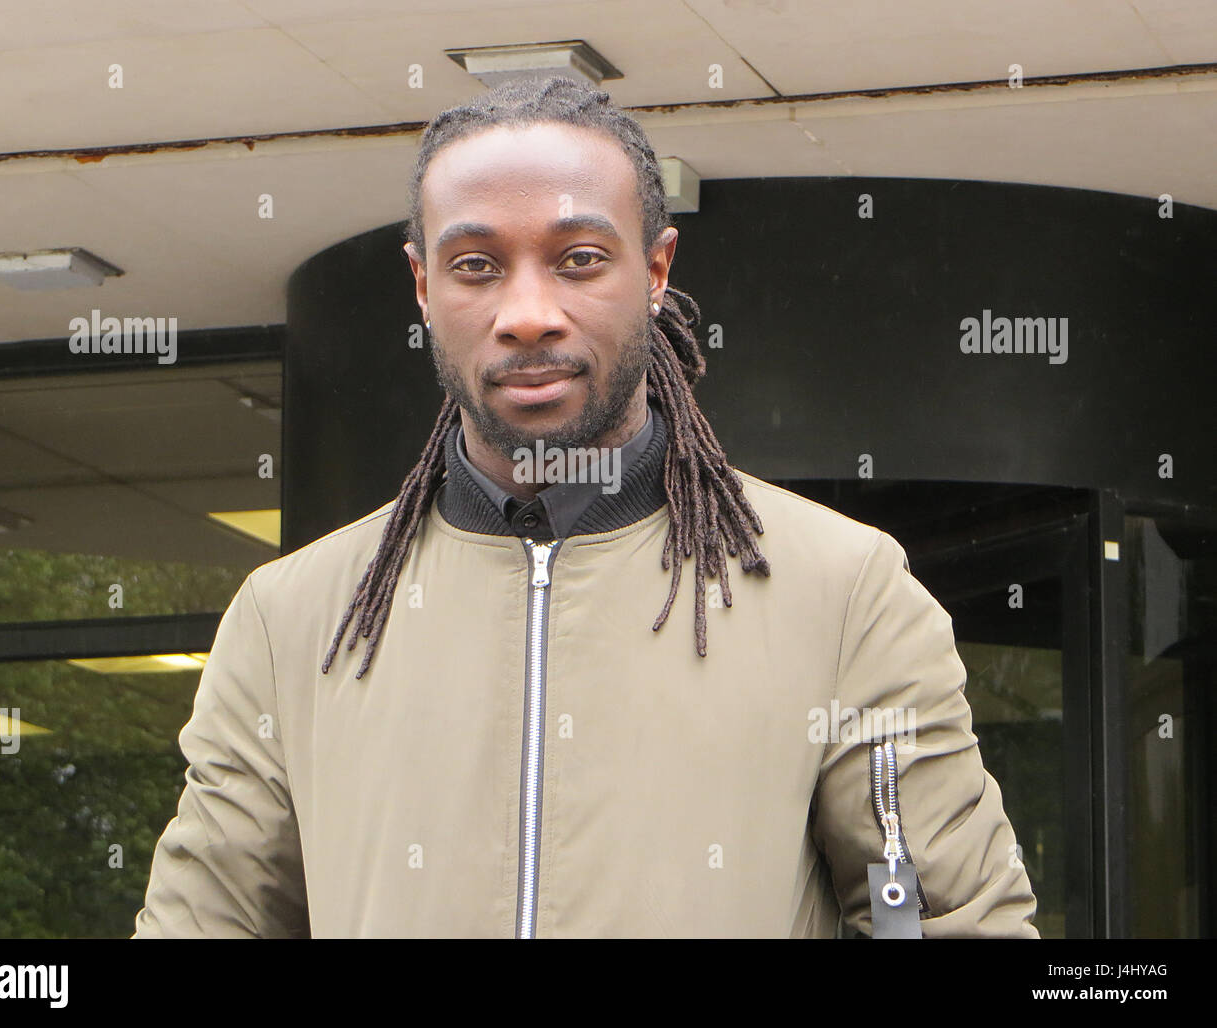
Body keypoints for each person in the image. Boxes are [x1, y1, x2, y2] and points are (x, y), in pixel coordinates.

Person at [133, 76, 1039, 938]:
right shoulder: (289, 619)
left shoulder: (844, 593)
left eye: (578, 260)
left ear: (655, 270)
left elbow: (956, 919)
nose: (528, 313)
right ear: (422, 286)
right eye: (478, 265)